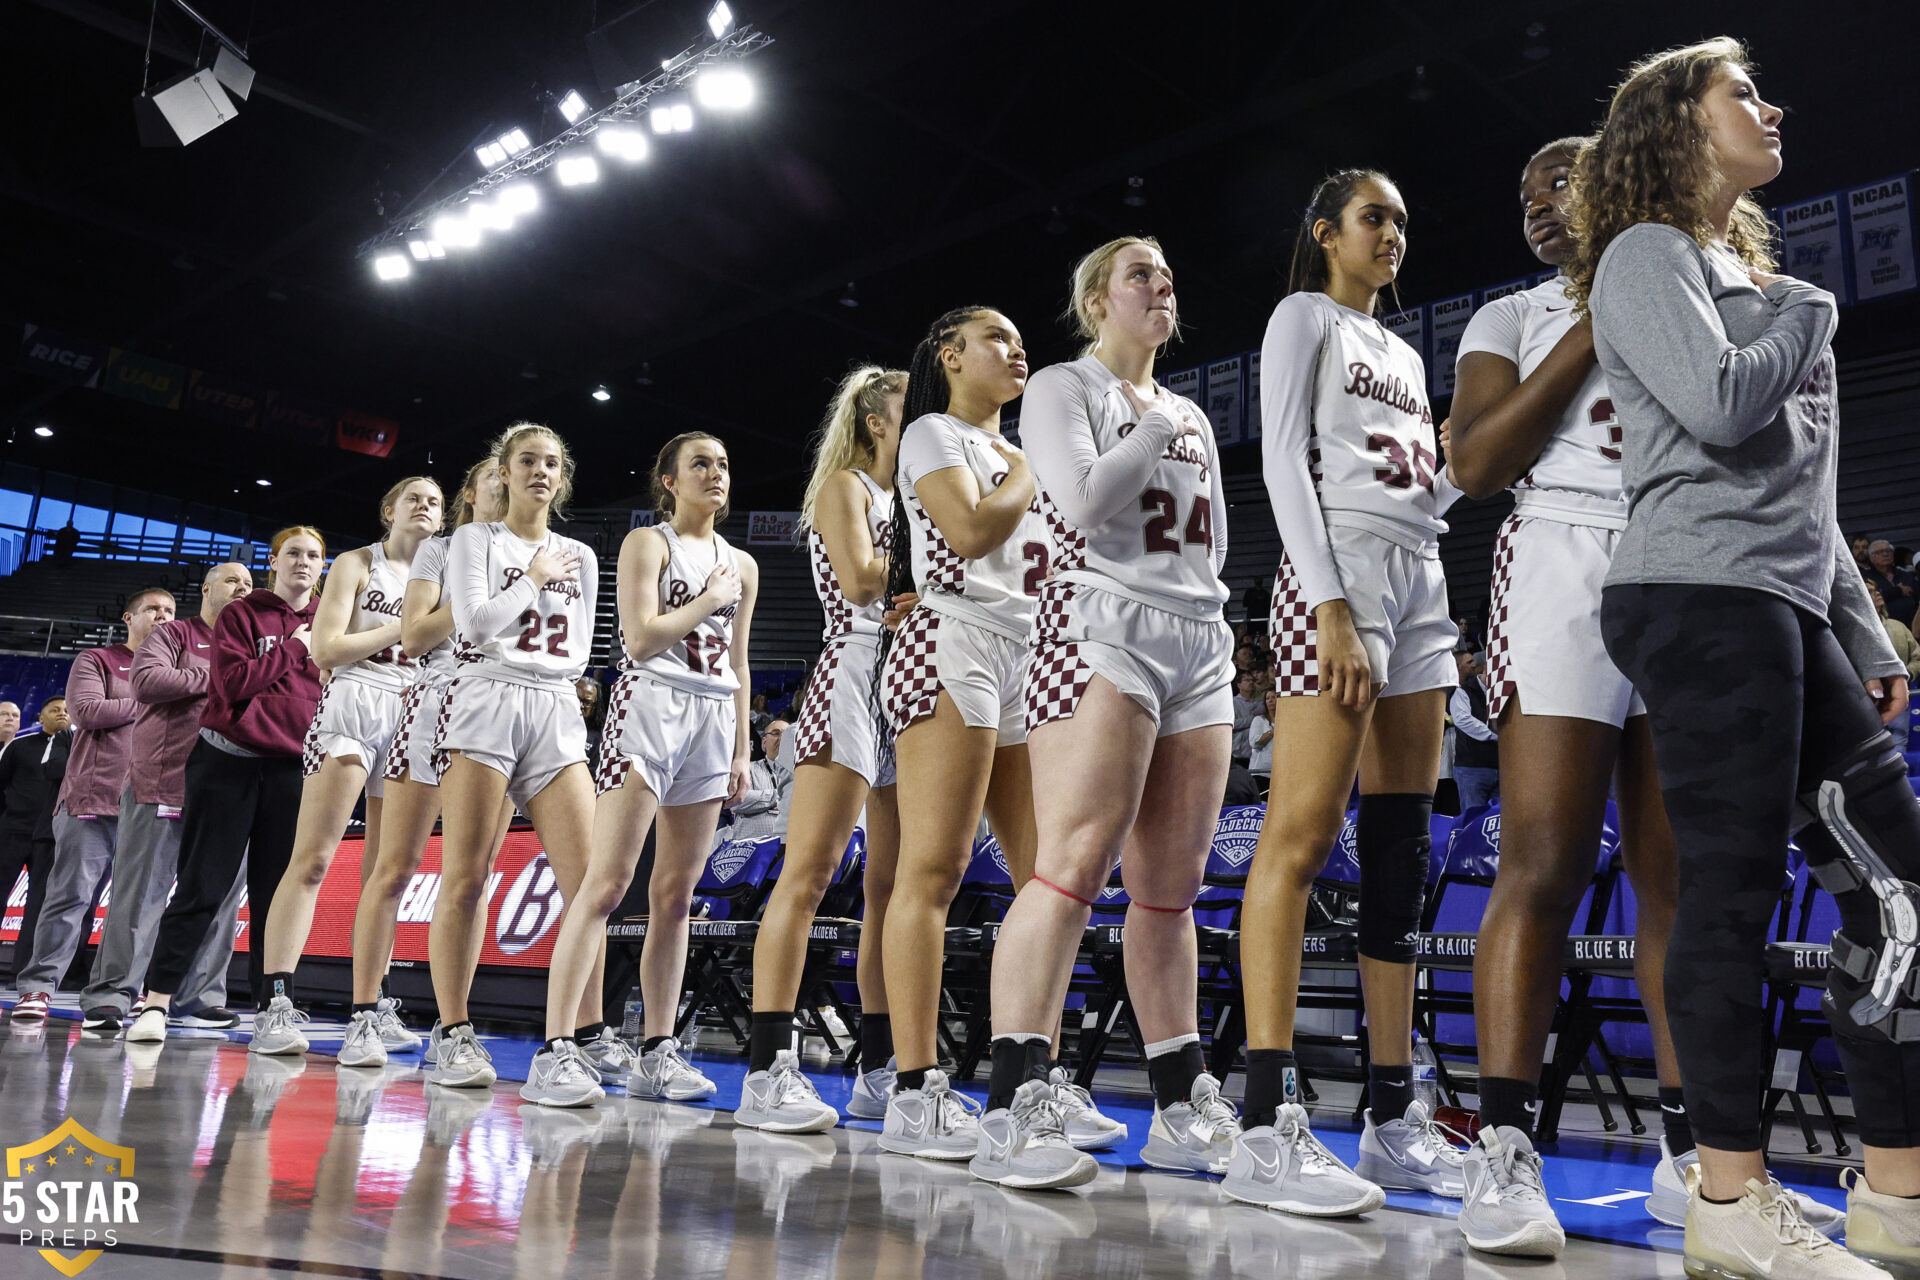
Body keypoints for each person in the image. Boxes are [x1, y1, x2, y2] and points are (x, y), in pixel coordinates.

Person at [1573, 37, 1920, 1278]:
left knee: (1903, 889)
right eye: (1743, 92)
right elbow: (1723, 407)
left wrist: (1863, 628)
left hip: (1785, 601)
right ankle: (1729, 1194)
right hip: (1696, 593)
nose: (1771, 105)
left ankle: (1895, 1192)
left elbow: (1805, 489)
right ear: (1676, 124)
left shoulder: (1743, 271)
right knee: (1730, 887)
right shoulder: (1644, 257)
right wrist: (1808, 314)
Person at [1443, 135, 1692, 1258]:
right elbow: (1478, 460)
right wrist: (1590, 325)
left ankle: (1696, 1155)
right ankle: (1503, 1151)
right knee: (1541, 861)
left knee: (1675, 875)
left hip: (1685, 556)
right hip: (1558, 559)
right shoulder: (1511, 315)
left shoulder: (1688, 276)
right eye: (1526, 189)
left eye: (1563, 181)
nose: (1539, 203)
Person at [972, 236, 1241, 1192]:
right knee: (1073, 863)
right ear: (1097, 300)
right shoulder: (1060, 387)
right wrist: (1150, 431)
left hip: (1197, 632)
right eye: (1140, 274)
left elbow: (1206, 538)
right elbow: (1081, 505)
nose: (1162, 285)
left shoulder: (1191, 416)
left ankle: (1180, 1098)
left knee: (1173, 885)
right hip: (1099, 615)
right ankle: (1015, 1100)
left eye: (1169, 274)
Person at [1230, 168, 1465, 1217]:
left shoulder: (1410, 352)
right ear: (1327, 232)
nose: (1394, 236)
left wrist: (1467, 460)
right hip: (1340, 570)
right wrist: (1326, 603)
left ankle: (1390, 1116)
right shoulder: (1302, 316)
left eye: (1404, 222)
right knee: (1300, 832)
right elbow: (1285, 462)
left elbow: (1423, 478)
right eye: (1376, 218)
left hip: (1420, 570)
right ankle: (1266, 1122)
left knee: (1402, 846)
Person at [524, 431, 754, 1110]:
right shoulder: (648, 544)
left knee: (676, 896)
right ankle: (557, 1048)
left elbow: (738, 664)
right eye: (700, 464)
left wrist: (742, 748)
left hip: (713, 718)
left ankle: (658, 1050)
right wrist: (709, 601)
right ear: (669, 480)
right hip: (650, 702)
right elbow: (640, 636)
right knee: (608, 881)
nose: (716, 473)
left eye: (723, 463)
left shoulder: (742, 562)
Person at [875, 307, 1047, 1161]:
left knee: (1046, 878)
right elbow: (974, 530)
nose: (1019, 351)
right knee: (934, 870)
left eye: (1021, 341)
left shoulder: (1023, 453)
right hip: (952, 637)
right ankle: (916, 1089)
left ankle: (1033, 1083)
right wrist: (1030, 468)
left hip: (1031, 649)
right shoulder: (934, 432)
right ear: (950, 355)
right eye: (998, 339)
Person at [733, 366, 908, 1134]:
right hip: (854, 668)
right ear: (875, 420)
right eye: (914, 402)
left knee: (892, 890)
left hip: (912, 676)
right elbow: (866, 582)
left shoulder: (913, 494)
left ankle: (877, 1069)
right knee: (807, 875)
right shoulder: (846, 488)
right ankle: (769, 1067)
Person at [425, 424, 601, 1090]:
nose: (540, 471)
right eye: (527, 461)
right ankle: (454, 1032)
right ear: (502, 471)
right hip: (485, 696)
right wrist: (529, 579)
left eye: (552, 463)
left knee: (588, 884)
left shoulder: (580, 554)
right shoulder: (475, 539)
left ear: (562, 476)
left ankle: (568, 1042)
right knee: (467, 877)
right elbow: (472, 625)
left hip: (553, 702)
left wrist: (529, 593)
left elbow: (579, 651)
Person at [250, 478, 444, 1060]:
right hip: (356, 699)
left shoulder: (449, 573)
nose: (425, 507)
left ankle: (374, 1002)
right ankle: (275, 1001)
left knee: (388, 874)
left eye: (435, 501)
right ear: (389, 510)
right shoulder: (359, 564)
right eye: (413, 498)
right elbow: (327, 649)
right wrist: (408, 629)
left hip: (416, 705)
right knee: (311, 858)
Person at [126, 527, 326, 1043]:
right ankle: (156, 1002)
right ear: (274, 561)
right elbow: (233, 683)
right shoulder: (241, 615)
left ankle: (273, 1008)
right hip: (226, 760)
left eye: (314, 556)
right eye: (293, 554)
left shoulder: (334, 619)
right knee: (202, 886)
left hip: (292, 768)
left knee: (276, 894)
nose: (303, 563)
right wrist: (295, 650)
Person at [352, 457, 517, 1070]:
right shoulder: (441, 551)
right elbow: (414, 637)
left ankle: (455, 1028)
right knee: (392, 868)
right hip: (430, 706)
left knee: (471, 881)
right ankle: (364, 1014)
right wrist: (487, 598)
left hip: (497, 712)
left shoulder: (536, 551)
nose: (508, 486)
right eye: (494, 479)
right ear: (469, 493)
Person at [79, 563, 255, 1034]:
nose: (243, 588)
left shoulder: (255, 641)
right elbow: (147, 683)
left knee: (217, 901)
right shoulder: (175, 633)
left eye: (249, 583)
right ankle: (113, 995)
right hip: (163, 780)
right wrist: (220, 677)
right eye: (233, 581)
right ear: (206, 590)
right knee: (139, 899)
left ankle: (197, 997)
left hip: (230, 787)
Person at [10, 588, 173, 1022]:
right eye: (153, 609)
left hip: (150, 799)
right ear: (129, 617)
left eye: (170, 611)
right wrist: (155, 695)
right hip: (92, 796)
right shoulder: (98, 660)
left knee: (138, 906)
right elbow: (87, 710)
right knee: (69, 898)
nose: (162, 616)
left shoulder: (175, 667)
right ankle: (38, 987)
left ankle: (120, 991)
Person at [0, 697, 70, 988]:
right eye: (55, 710)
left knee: (38, 906)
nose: (62, 714)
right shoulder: (20, 746)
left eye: (67, 711)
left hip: (49, 836)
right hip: (13, 831)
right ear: (41, 717)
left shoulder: (77, 749)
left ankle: (23, 970)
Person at [1446, 647, 1499, 813]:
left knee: (1495, 822)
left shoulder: (1500, 694)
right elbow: (1463, 720)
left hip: (1499, 767)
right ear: (1486, 669)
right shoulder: (1463, 691)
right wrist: (1495, 735)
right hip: (1472, 769)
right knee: (1472, 820)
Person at [1869, 584, 1920, 752]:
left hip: (1898, 695)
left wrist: (1907, 675)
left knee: (1898, 744)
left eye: (1876, 590)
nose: (1876, 594)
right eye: (1869, 592)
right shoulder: (1847, 631)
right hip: (1865, 700)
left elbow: (1917, 657)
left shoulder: (1898, 627)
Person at [726, 719, 790, 846]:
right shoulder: (747, 769)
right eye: (776, 733)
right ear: (764, 742)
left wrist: (760, 799)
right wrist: (783, 795)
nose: (782, 737)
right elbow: (736, 802)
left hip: (789, 850)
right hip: (749, 849)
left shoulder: (799, 773)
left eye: (787, 734)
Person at [1864, 540, 1917, 629]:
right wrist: (1898, 590)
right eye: (1880, 552)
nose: (1885, 554)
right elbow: (1869, 599)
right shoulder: (1866, 578)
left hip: (1912, 627)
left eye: (1888, 551)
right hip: (1886, 629)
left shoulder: (1905, 575)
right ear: (1871, 557)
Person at [1229, 669, 1260, 768]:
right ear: (1239, 685)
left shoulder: (1261, 704)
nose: (1251, 682)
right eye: (1247, 680)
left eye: (1252, 680)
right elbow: (1232, 723)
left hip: (1257, 754)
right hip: (1239, 755)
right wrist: (1252, 720)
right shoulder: (1233, 702)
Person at [1249, 690, 1277, 790]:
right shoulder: (1259, 720)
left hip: (1278, 773)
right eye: (1267, 698)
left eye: (1274, 697)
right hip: (1261, 773)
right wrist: (1271, 732)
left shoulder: (1285, 721)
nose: (1270, 700)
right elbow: (1254, 743)